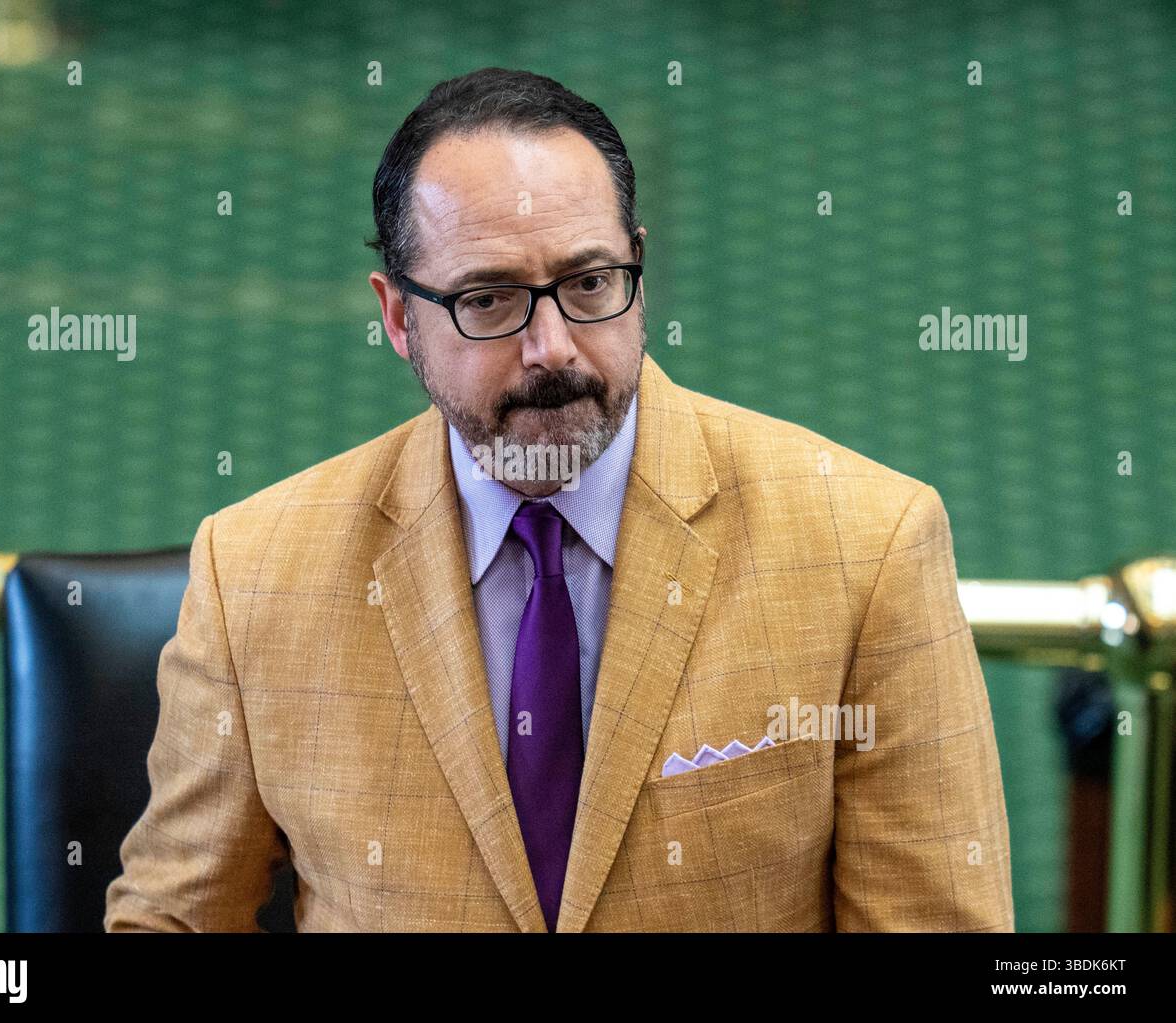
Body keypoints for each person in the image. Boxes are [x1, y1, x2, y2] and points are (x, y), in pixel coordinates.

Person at [104, 67, 1014, 932]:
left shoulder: (869, 544)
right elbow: (174, 915)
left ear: (638, 267)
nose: (553, 348)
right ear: (397, 316)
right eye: (490, 300)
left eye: (588, 284)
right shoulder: (252, 570)